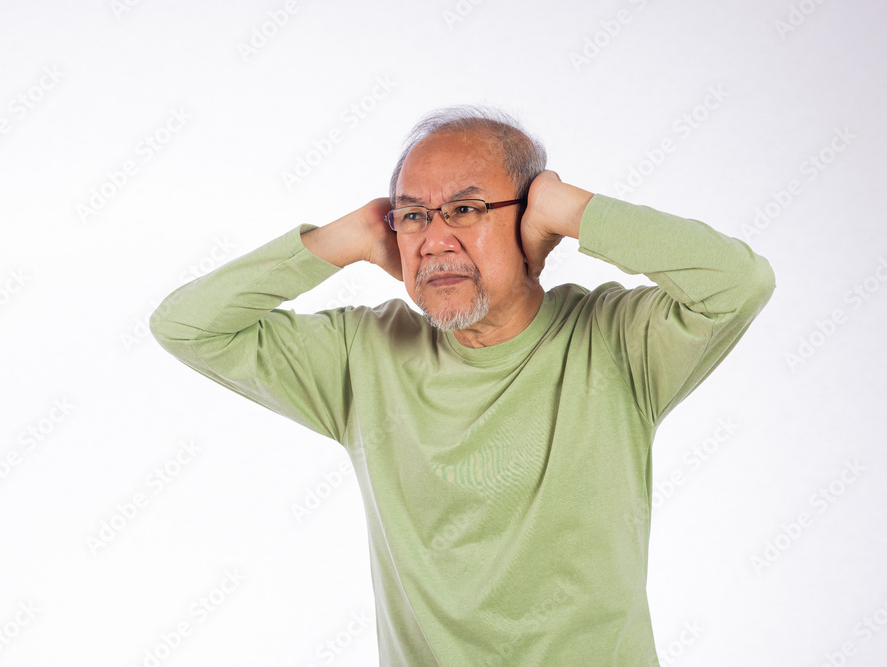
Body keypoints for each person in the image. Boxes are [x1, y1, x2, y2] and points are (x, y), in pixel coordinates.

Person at [149, 105, 776, 666]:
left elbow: (738, 283)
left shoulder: (615, 340)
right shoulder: (362, 355)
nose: (434, 240)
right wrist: (341, 240)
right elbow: (186, 326)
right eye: (414, 216)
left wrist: (572, 210)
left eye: (467, 210)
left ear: (530, 216)